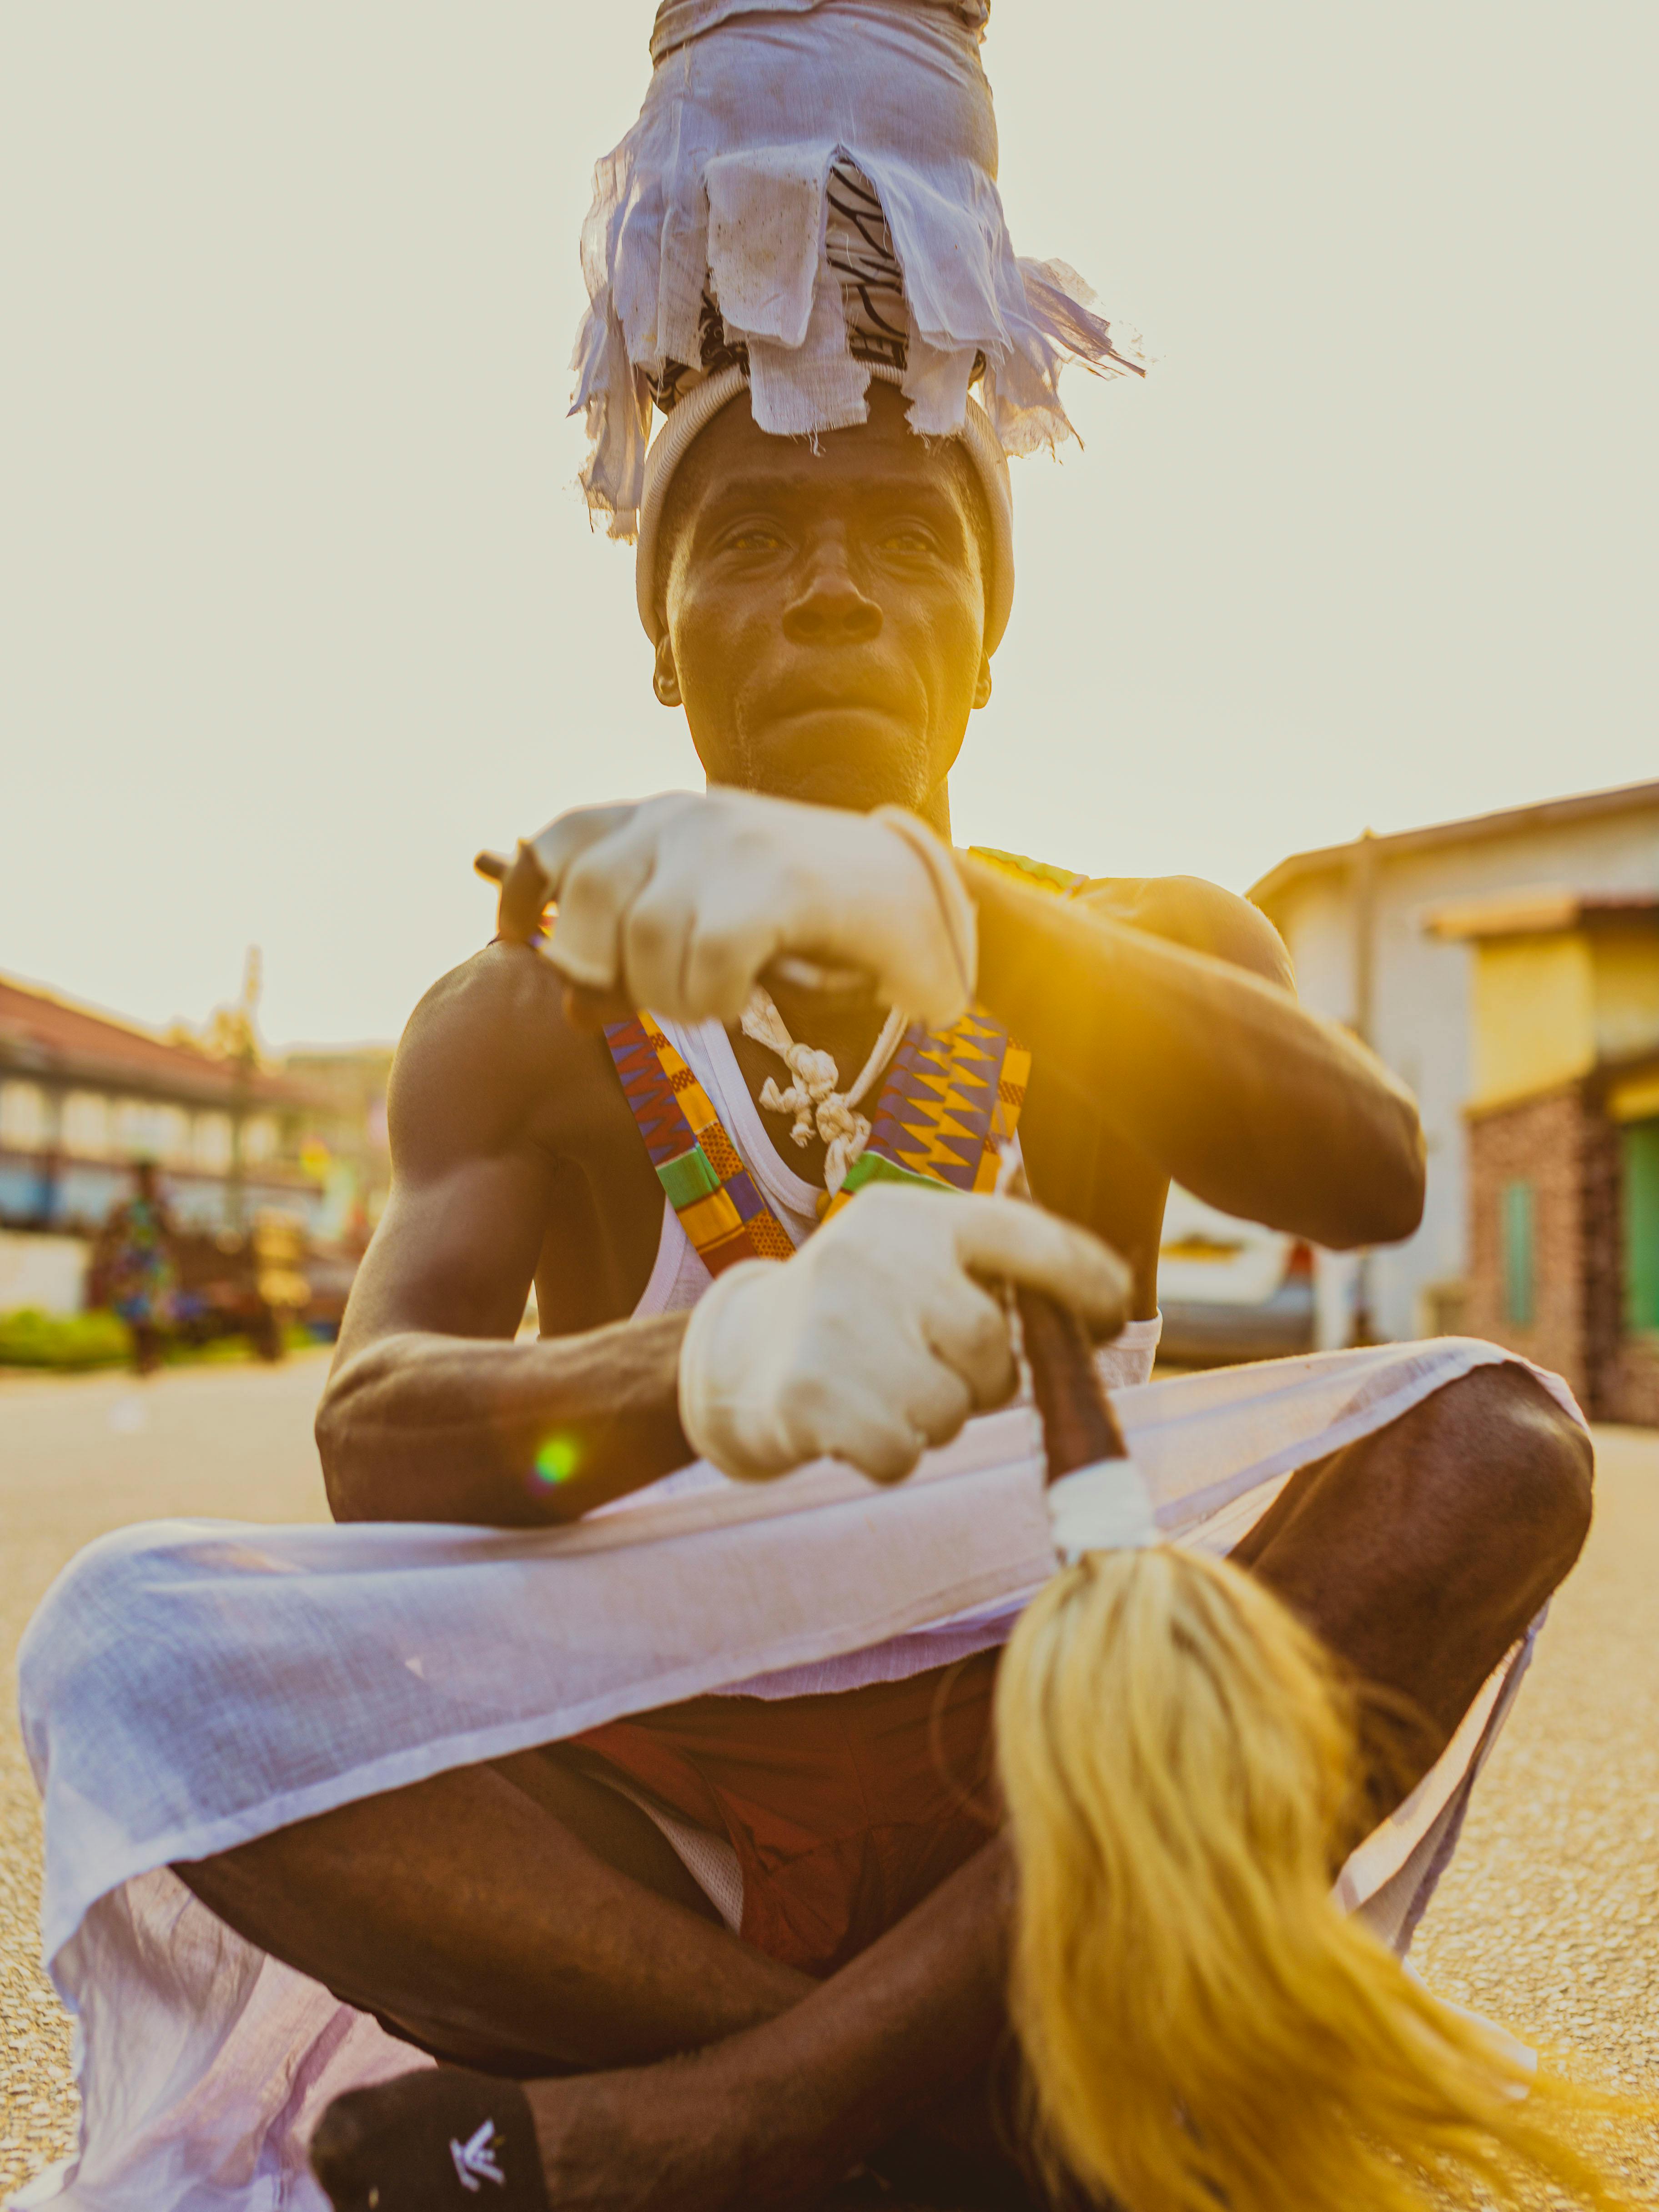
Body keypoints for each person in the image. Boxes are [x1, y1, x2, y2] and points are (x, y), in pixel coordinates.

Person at [15, 10, 1594, 2212]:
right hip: (641, 1829)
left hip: (1055, 1782)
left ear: (987, 623)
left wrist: (947, 908)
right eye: (752, 532)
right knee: (127, 1651)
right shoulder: (525, 1011)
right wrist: (708, 1371)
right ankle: (933, 2091)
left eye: (899, 534)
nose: (836, 582)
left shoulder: (1141, 945)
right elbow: (381, 1432)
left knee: (1497, 1441)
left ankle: (747, 2123)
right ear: (658, 627)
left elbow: (1363, 1164)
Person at [96, 1160, 176, 1376]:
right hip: (132, 1265)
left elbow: (173, 1230)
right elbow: (111, 1228)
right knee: (135, 1314)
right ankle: (141, 1358)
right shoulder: (128, 1204)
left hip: (154, 1266)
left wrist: (161, 1211)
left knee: (153, 1315)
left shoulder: (162, 1204)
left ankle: (151, 1357)